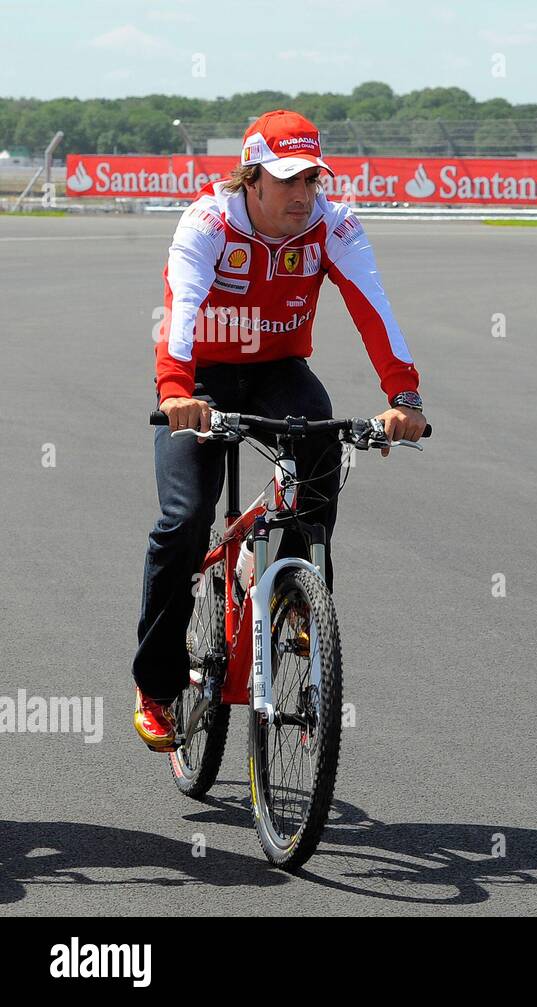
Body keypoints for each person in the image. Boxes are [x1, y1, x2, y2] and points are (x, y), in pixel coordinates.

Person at [133, 109, 427, 752]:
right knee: (184, 520)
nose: (302, 195)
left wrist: (402, 395)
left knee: (323, 441)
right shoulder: (208, 222)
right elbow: (179, 308)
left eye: (311, 180)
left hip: (278, 371)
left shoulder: (334, 225)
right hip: (201, 378)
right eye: (287, 180)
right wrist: (176, 391)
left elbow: (373, 307)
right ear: (252, 180)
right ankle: (156, 685)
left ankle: (292, 593)